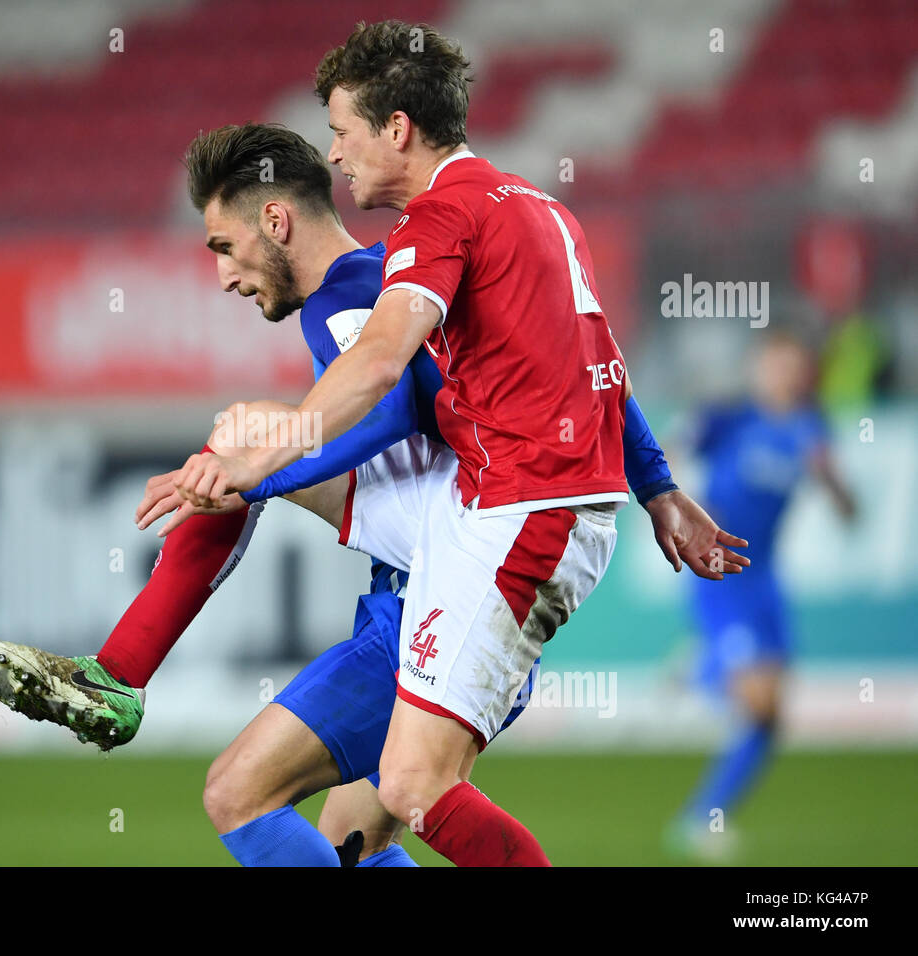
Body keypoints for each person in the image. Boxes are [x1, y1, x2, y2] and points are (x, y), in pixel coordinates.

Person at [169, 21, 747, 867]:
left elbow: (377, 361)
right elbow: (602, 366)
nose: (335, 154)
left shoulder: (441, 218)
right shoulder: (542, 209)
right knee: (359, 828)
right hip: (516, 510)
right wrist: (657, 490)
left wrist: (266, 453)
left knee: (408, 784)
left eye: (342, 130)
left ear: (395, 129)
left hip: (520, 510)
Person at [669, 333, 855, 859]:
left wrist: (831, 480)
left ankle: (703, 817)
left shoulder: (810, 427)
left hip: (767, 581)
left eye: (793, 365)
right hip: (722, 571)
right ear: (759, 367)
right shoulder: (727, 417)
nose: (783, 375)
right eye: (775, 364)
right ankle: (707, 668)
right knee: (755, 702)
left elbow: (847, 507)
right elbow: (664, 454)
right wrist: (694, 511)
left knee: (771, 719)